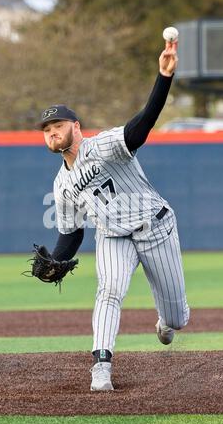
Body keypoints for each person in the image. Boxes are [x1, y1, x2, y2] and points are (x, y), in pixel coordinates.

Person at [36, 40, 190, 391]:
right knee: (108, 291)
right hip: (112, 236)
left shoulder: (103, 144)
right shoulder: (61, 184)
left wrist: (164, 77)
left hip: (155, 226)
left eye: (58, 125)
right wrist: (56, 260)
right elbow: (71, 233)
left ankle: (165, 323)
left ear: (76, 126)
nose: (52, 133)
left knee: (177, 319)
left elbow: (141, 126)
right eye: (46, 131)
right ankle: (101, 367)